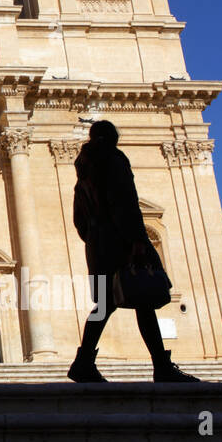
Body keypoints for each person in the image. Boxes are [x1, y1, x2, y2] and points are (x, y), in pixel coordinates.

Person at [68, 120, 198, 383]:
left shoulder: (83, 176)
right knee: (144, 301)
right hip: (121, 241)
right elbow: (125, 203)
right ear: (113, 137)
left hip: (98, 244)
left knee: (104, 305)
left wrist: (95, 238)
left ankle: (83, 363)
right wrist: (137, 240)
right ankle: (161, 366)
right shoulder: (113, 161)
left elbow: (79, 221)